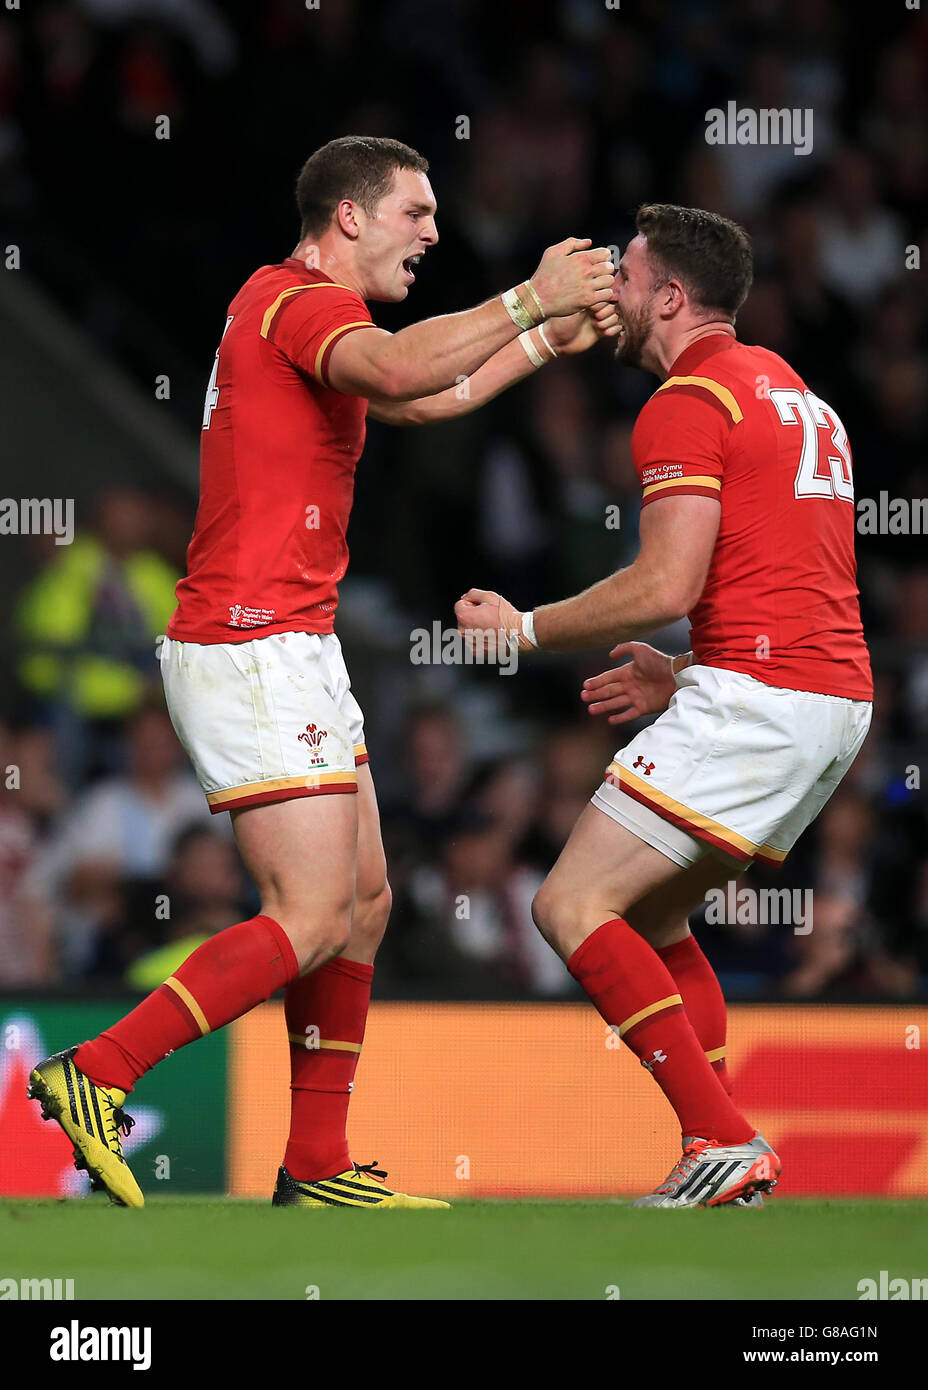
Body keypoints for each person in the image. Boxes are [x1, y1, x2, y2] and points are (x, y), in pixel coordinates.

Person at [28, 134, 617, 1209]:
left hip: (294, 642)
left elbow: (416, 397)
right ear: (347, 216)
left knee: (367, 898)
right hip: (250, 642)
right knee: (307, 913)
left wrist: (546, 339)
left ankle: (315, 1161)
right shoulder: (291, 301)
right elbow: (402, 367)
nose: (433, 233)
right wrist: (530, 296)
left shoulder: (313, 326)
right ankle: (95, 1070)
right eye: (415, 213)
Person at [456, 203, 873, 1208]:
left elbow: (663, 586)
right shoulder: (792, 391)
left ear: (673, 298)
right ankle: (717, 1150)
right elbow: (785, 590)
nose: (614, 297)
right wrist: (683, 677)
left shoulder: (687, 400)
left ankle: (725, 1139)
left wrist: (524, 629)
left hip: (764, 701)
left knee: (567, 904)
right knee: (655, 918)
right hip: (827, 701)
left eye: (628, 280)